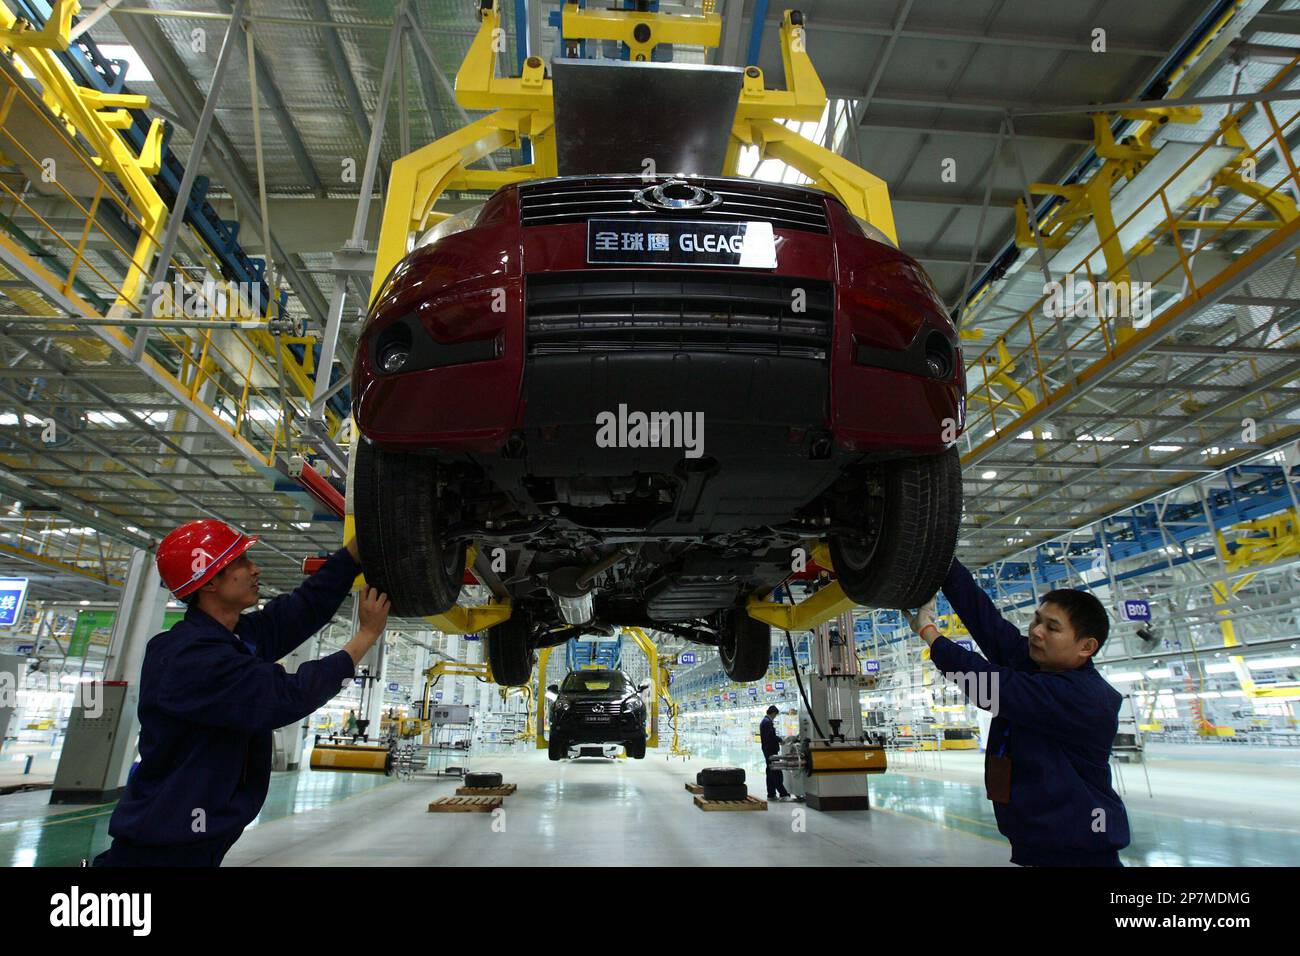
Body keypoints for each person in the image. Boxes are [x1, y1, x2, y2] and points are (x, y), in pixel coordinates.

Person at [93, 519, 389, 867]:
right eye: (240, 563)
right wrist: (366, 635)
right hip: (165, 844)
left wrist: (354, 552)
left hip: (192, 834)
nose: (255, 568)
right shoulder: (190, 658)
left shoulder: (231, 639)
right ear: (210, 582)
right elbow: (288, 696)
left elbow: (301, 609)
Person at [908, 558, 1130, 867]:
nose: (1037, 632)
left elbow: (990, 687)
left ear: (1086, 646)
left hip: (1080, 851)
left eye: (1052, 628)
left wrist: (931, 634)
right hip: (1042, 845)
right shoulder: (1038, 665)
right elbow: (987, 622)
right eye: (1037, 620)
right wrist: (940, 555)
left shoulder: (1084, 698)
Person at [760, 705, 792, 801]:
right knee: (776, 771)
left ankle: (771, 794)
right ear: (773, 713)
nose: (775, 717)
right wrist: (780, 740)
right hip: (770, 750)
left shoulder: (765, 721)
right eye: (775, 715)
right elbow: (771, 735)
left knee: (770, 772)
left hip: (767, 749)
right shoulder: (767, 722)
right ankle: (783, 794)